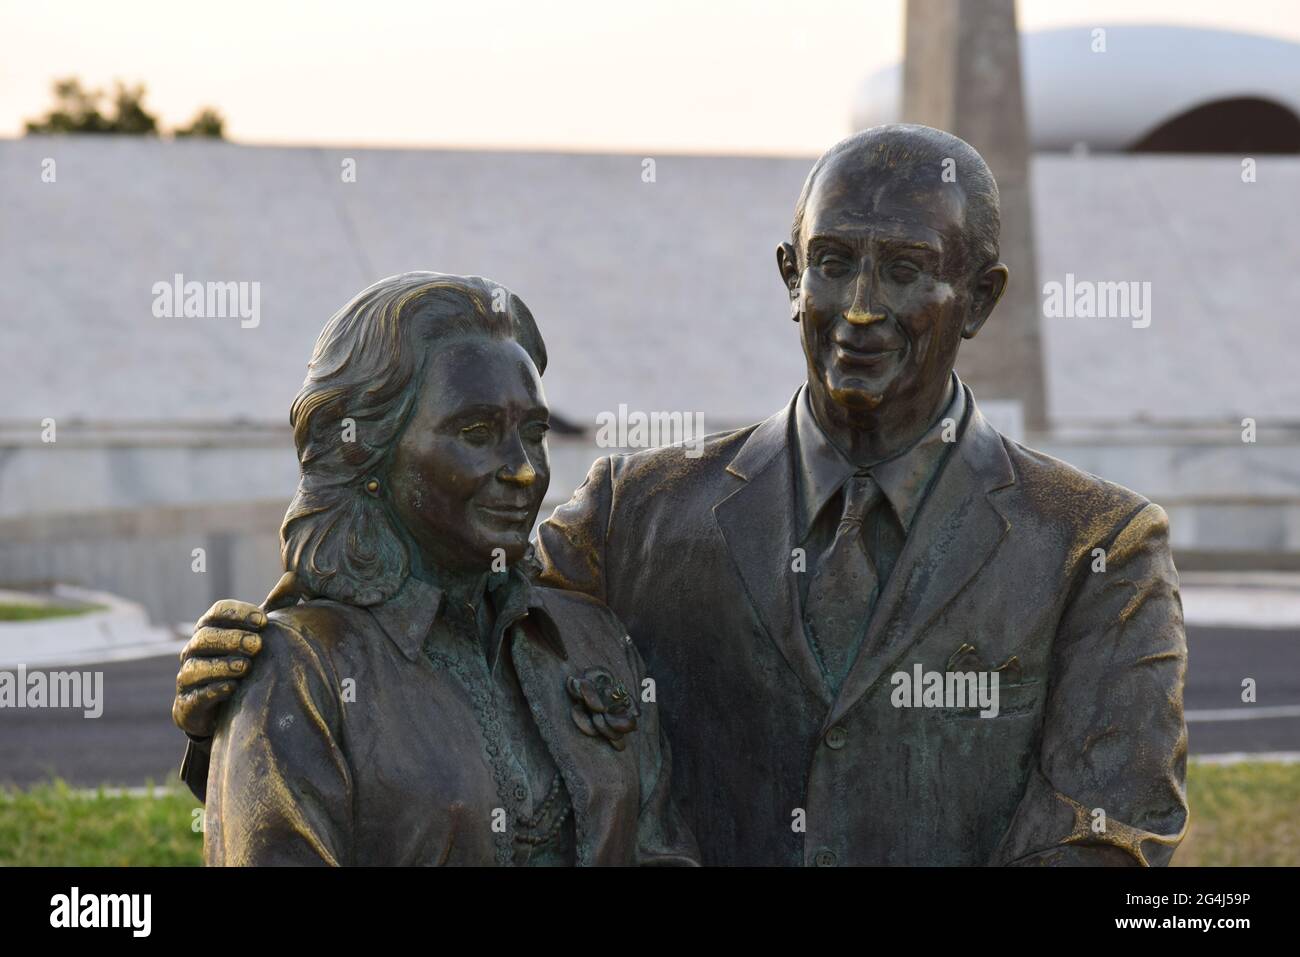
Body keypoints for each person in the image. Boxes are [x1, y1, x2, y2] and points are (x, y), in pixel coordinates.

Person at [177, 125, 1187, 866]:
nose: (862, 307)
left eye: (908, 270)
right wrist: (264, 663)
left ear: (979, 298)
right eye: (832, 263)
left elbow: (1107, 839)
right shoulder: (633, 512)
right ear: (789, 275)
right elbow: (447, 604)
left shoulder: (1096, 546)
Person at [195, 271, 697, 866]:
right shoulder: (302, 670)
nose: (523, 470)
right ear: (370, 450)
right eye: (477, 433)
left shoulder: (594, 641)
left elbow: (662, 853)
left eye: (532, 434)